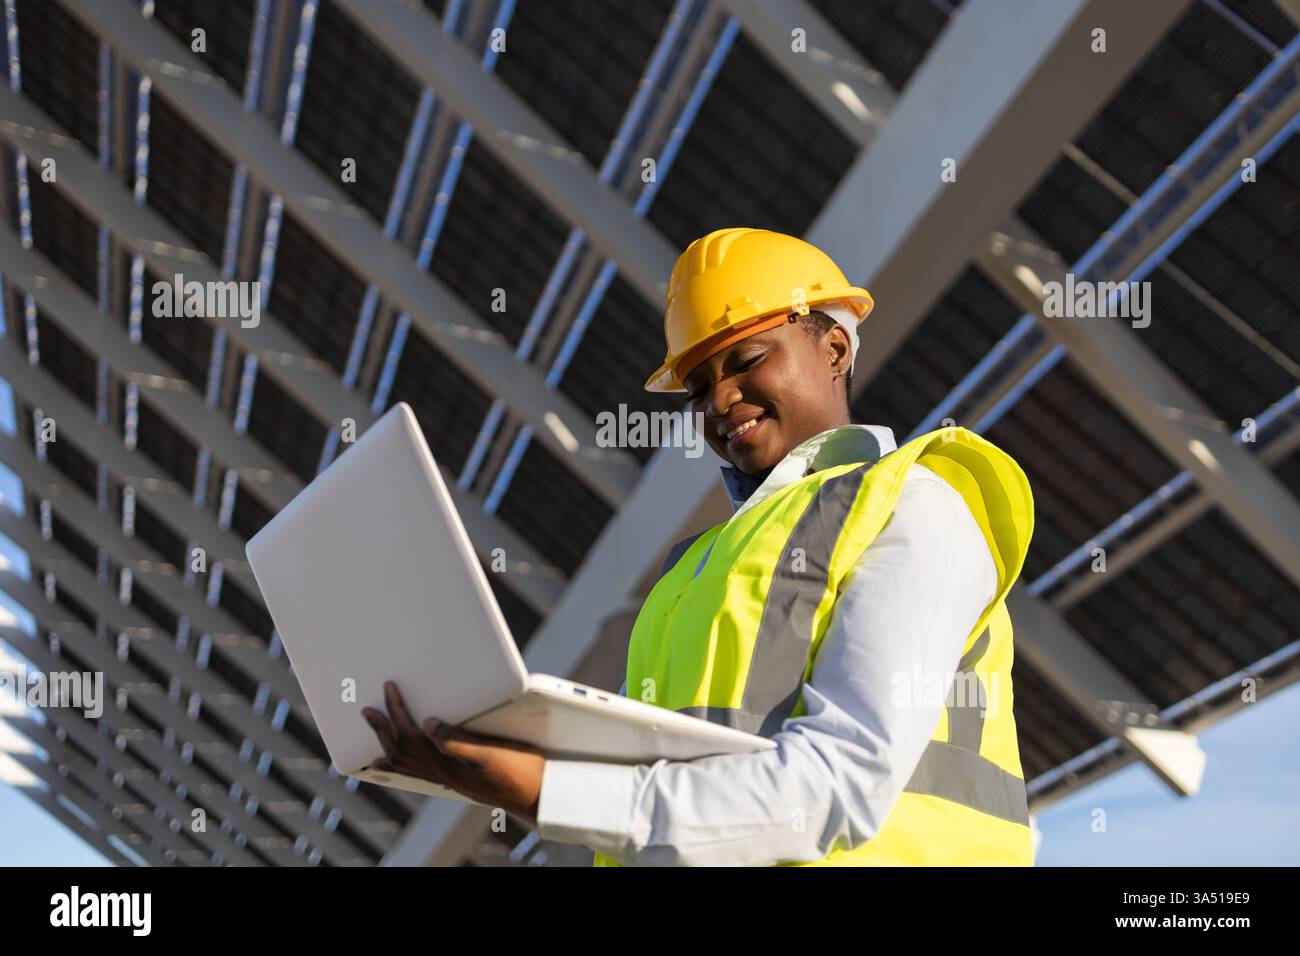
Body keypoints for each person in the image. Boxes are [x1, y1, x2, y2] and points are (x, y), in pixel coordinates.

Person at [363, 227, 1036, 866]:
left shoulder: (917, 505)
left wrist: (541, 789)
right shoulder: (694, 569)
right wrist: (486, 752)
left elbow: (842, 780)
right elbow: (637, 786)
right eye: (698, 385)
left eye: (747, 360)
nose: (720, 398)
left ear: (834, 349)